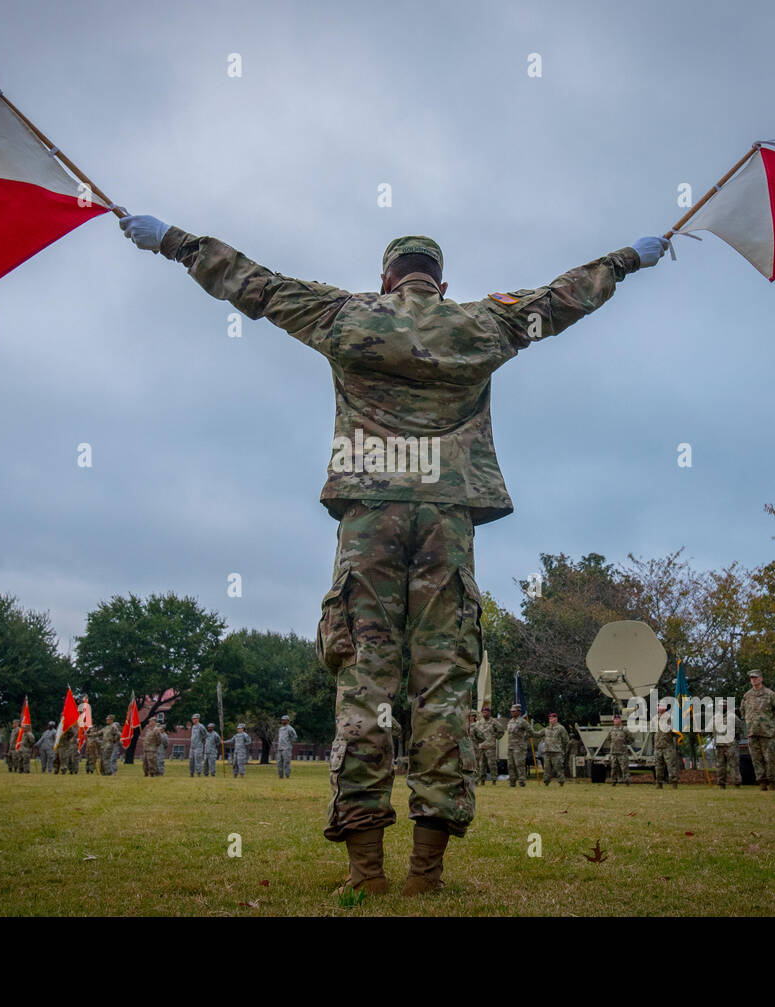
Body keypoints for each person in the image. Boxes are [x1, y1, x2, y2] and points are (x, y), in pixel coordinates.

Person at [120, 212, 668, 895]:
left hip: (370, 517)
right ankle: (426, 875)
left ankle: (365, 873)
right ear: (442, 283)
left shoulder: (344, 314)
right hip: (446, 518)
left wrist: (175, 241)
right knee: (442, 690)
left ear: (386, 278)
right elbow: (561, 301)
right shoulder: (484, 324)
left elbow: (253, 285)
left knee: (366, 686)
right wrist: (627, 260)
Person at [740, 671, 775, 790]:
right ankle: (762, 782)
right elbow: (742, 711)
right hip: (752, 732)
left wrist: (770, 721)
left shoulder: (770, 694)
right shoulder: (747, 695)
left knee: (770, 759)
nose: (753, 680)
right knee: (756, 759)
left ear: (761, 678)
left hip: (767, 733)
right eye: (751, 678)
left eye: (755, 677)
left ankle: (772, 782)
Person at [471, 706, 504, 785]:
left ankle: (494, 780)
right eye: (483, 712)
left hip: (490, 747)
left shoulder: (494, 722)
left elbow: (501, 731)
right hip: (481, 746)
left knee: (492, 764)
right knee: (481, 765)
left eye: (486, 712)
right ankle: (481, 780)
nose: (485, 714)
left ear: (489, 713)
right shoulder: (479, 722)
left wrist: (494, 737)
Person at [534, 713, 569, 786]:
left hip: (556, 752)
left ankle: (561, 782)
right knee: (547, 768)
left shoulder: (560, 728)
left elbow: (565, 740)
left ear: (556, 719)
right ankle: (546, 782)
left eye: (552, 718)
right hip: (547, 752)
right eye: (549, 718)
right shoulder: (546, 729)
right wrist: (529, 731)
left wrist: (561, 748)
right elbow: (537, 734)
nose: (550, 720)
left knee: (558, 768)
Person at [652, 702, 679, 790]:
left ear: (665, 708)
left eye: (661, 706)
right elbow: (653, 732)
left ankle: (674, 784)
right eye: (658, 706)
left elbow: (675, 732)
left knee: (671, 766)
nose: (659, 707)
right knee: (658, 767)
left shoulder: (670, 718)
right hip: (657, 747)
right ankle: (659, 784)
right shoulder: (655, 719)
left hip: (668, 747)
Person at [504, 703, 532, 787]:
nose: (512, 713)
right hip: (511, 746)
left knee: (519, 764)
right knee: (510, 765)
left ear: (519, 712)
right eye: (511, 711)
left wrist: (524, 738)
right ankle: (512, 782)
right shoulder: (510, 721)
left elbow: (530, 732)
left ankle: (522, 782)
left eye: (514, 711)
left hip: (519, 747)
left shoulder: (523, 722)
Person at [605, 713, 634, 786]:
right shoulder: (611, 730)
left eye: (617, 719)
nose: (616, 720)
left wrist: (624, 744)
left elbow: (631, 739)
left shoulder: (624, 730)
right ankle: (614, 781)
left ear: (620, 720)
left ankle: (627, 781)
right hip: (614, 753)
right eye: (615, 719)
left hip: (622, 753)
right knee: (614, 768)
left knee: (624, 768)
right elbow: (608, 739)